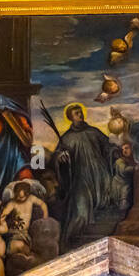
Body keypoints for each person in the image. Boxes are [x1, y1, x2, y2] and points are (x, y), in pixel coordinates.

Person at [53, 102, 117, 246]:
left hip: (101, 175)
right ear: (71, 118)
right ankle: (71, 242)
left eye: (80, 112)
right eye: (76, 113)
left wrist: (115, 151)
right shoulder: (67, 138)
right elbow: (57, 158)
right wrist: (60, 158)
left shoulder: (93, 132)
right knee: (80, 208)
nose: (80, 115)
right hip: (81, 178)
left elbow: (108, 147)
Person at [0, 180, 47, 254]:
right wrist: (3, 225)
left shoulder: (31, 199)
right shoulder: (12, 203)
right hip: (15, 233)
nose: (20, 199)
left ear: (27, 194)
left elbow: (43, 205)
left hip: (25, 233)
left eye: (22, 197)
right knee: (21, 248)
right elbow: (3, 215)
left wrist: (45, 219)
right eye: (18, 196)